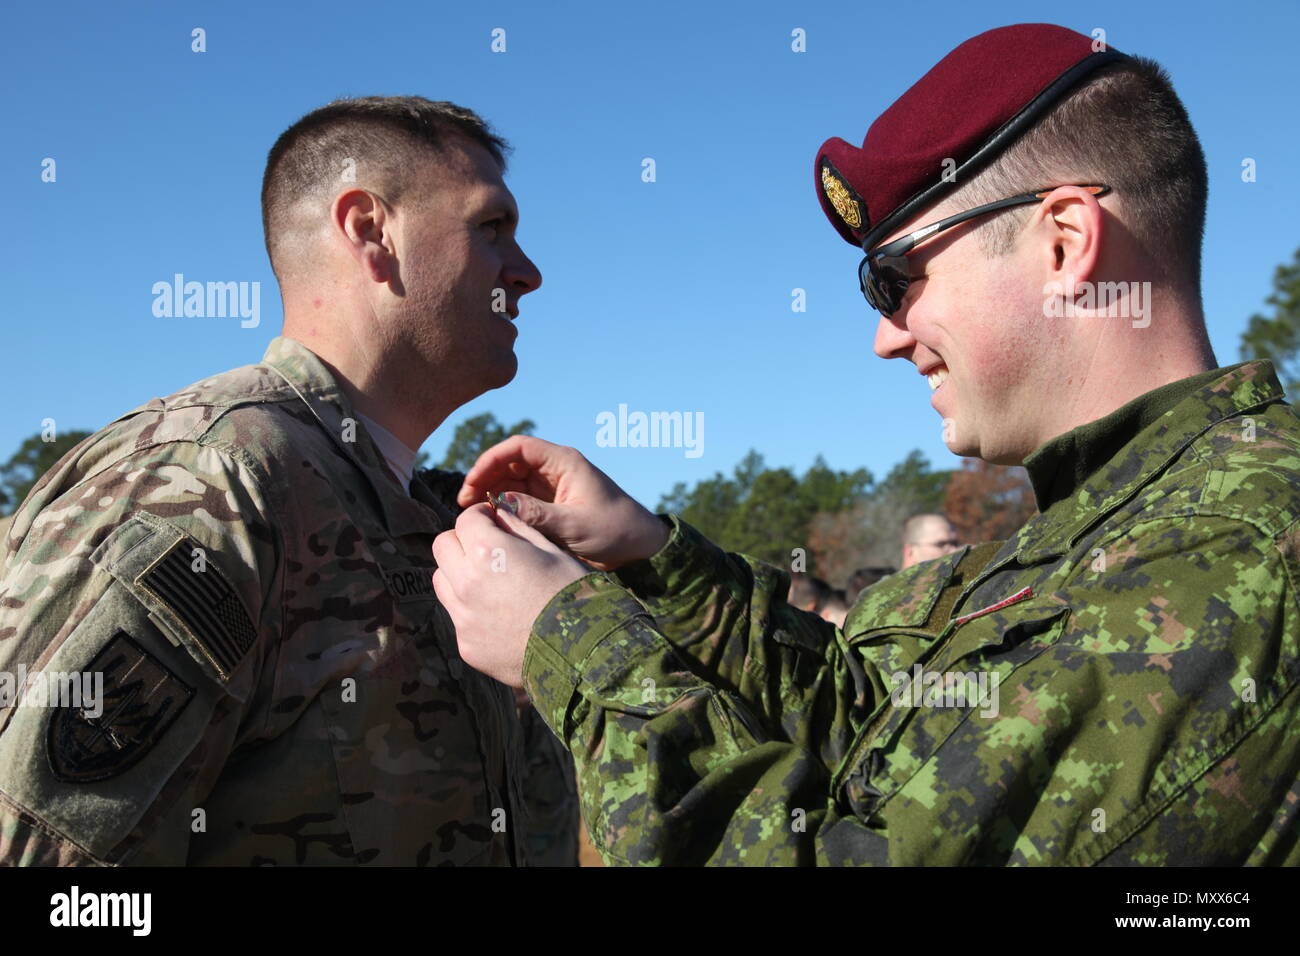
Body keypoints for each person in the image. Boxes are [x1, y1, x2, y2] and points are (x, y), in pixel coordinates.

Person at [430, 24, 1300, 865]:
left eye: (895, 279)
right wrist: (657, 558)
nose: (886, 337)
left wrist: (570, 640)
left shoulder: (1235, 547)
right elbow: (880, 733)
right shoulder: (1116, 529)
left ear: (1065, 241)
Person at [0, 96, 578, 866]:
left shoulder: (440, 516)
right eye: (491, 227)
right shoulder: (207, 485)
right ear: (372, 232)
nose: (528, 272)